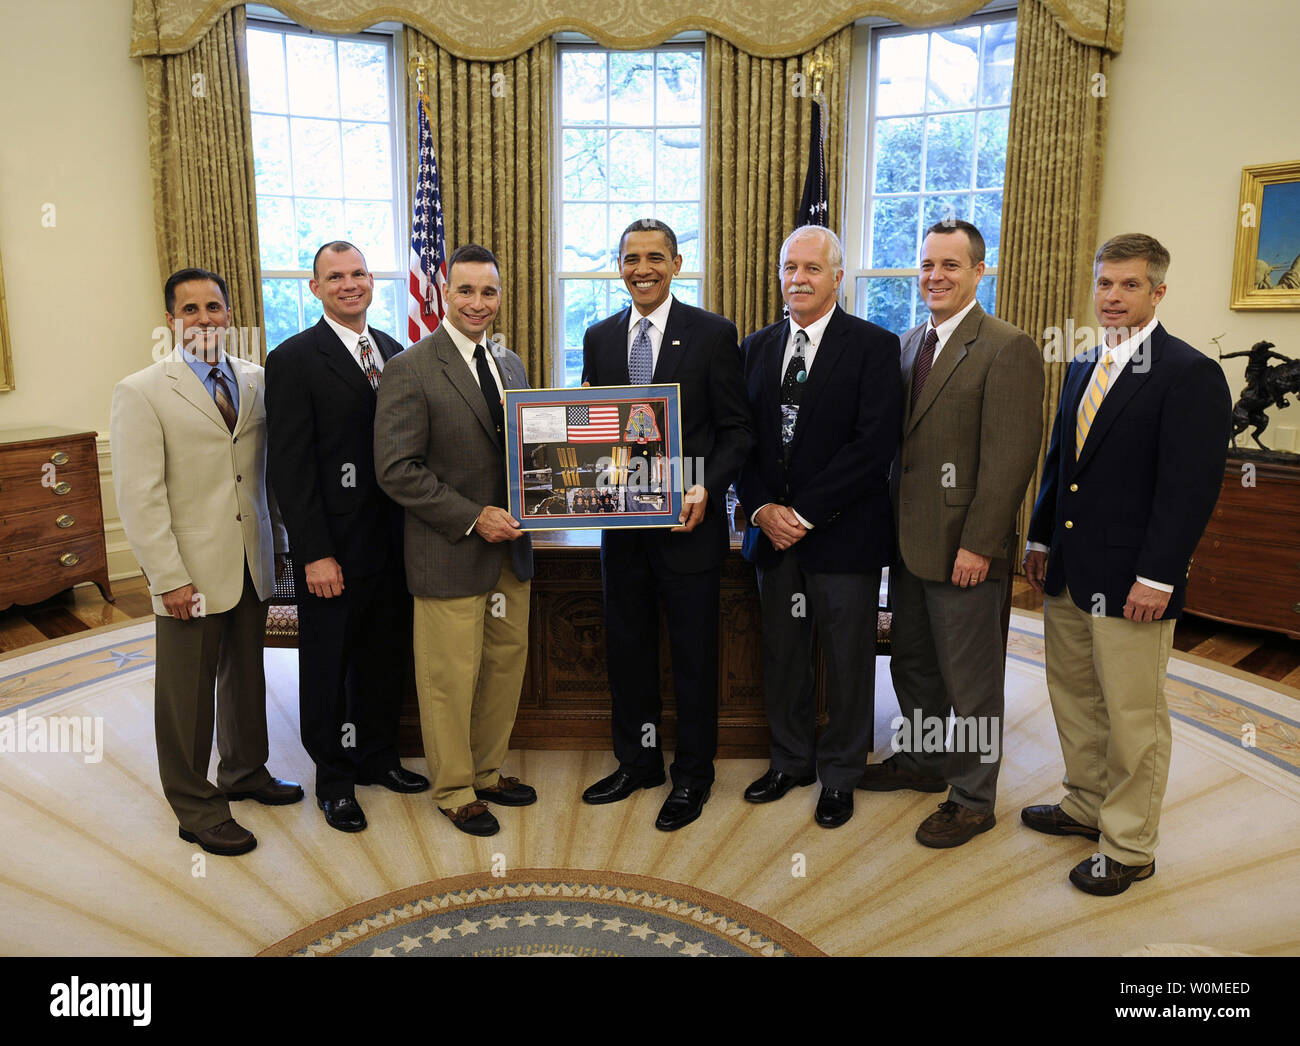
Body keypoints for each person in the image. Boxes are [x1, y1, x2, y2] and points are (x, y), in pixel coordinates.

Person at [1022, 233, 1230, 895]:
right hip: (1070, 571)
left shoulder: (1189, 373)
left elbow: (1189, 488)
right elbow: (1061, 466)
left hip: (1134, 580)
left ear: (1158, 291)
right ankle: (1086, 803)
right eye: (1105, 283)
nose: (1113, 297)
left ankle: (1131, 845)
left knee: (1135, 716)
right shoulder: (1084, 364)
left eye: (1130, 285)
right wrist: (1039, 538)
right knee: (1077, 701)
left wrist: (1160, 576)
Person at [861, 219, 1043, 848]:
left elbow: (1011, 456)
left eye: (950, 266)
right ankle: (923, 760)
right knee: (913, 667)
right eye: (928, 265)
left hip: (965, 548)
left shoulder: (1006, 346)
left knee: (971, 684)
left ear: (978, 272)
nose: (935, 276)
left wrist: (980, 543)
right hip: (908, 546)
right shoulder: (910, 343)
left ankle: (971, 797)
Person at [111, 267, 301, 856]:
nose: (203, 319)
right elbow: (140, 497)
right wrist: (167, 577)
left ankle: (245, 772)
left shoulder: (257, 381)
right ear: (171, 319)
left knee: (247, 676)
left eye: (213, 307)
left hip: (250, 558)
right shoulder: (142, 391)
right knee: (187, 693)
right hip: (187, 568)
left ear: (228, 314)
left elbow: (264, 473)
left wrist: (283, 545)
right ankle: (195, 806)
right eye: (189, 309)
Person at [580, 218, 753, 831]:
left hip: (688, 525)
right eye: (631, 258)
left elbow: (737, 430)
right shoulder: (599, 338)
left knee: (692, 655)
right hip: (621, 531)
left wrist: (710, 484)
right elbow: (594, 429)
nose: (642, 268)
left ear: (677, 263)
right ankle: (640, 761)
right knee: (627, 651)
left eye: (655, 257)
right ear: (619, 265)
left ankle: (693, 775)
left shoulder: (712, 334)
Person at [735, 225, 901, 828]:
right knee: (783, 654)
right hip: (771, 537)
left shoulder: (874, 346)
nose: (797, 280)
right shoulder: (754, 347)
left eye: (810, 269)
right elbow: (741, 441)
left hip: (843, 537)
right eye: (788, 269)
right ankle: (791, 760)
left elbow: (872, 445)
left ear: (836, 276)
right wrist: (761, 510)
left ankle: (840, 773)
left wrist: (802, 514)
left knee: (848, 658)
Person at [265, 240, 428, 835]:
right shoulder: (294, 359)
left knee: (382, 659)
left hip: (392, 546)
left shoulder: (391, 350)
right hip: (330, 553)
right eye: (335, 276)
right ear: (315, 288)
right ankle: (333, 781)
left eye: (358, 273)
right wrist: (314, 553)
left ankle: (378, 758)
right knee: (328, 669)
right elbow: (290, 468)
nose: (349, 284)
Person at [374, 244, 535, 838]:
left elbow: (526, 453)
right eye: (465, 291)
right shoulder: (411, 367)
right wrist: (474, 517)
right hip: (450, 550)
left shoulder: (510, 364)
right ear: (444, 293)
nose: (477, 302)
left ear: (499, 295)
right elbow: (397, 469)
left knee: (502, 668)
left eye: (487, 291)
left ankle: (489, 772)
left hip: (511, 553)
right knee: (448, 677)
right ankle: (453, 789)